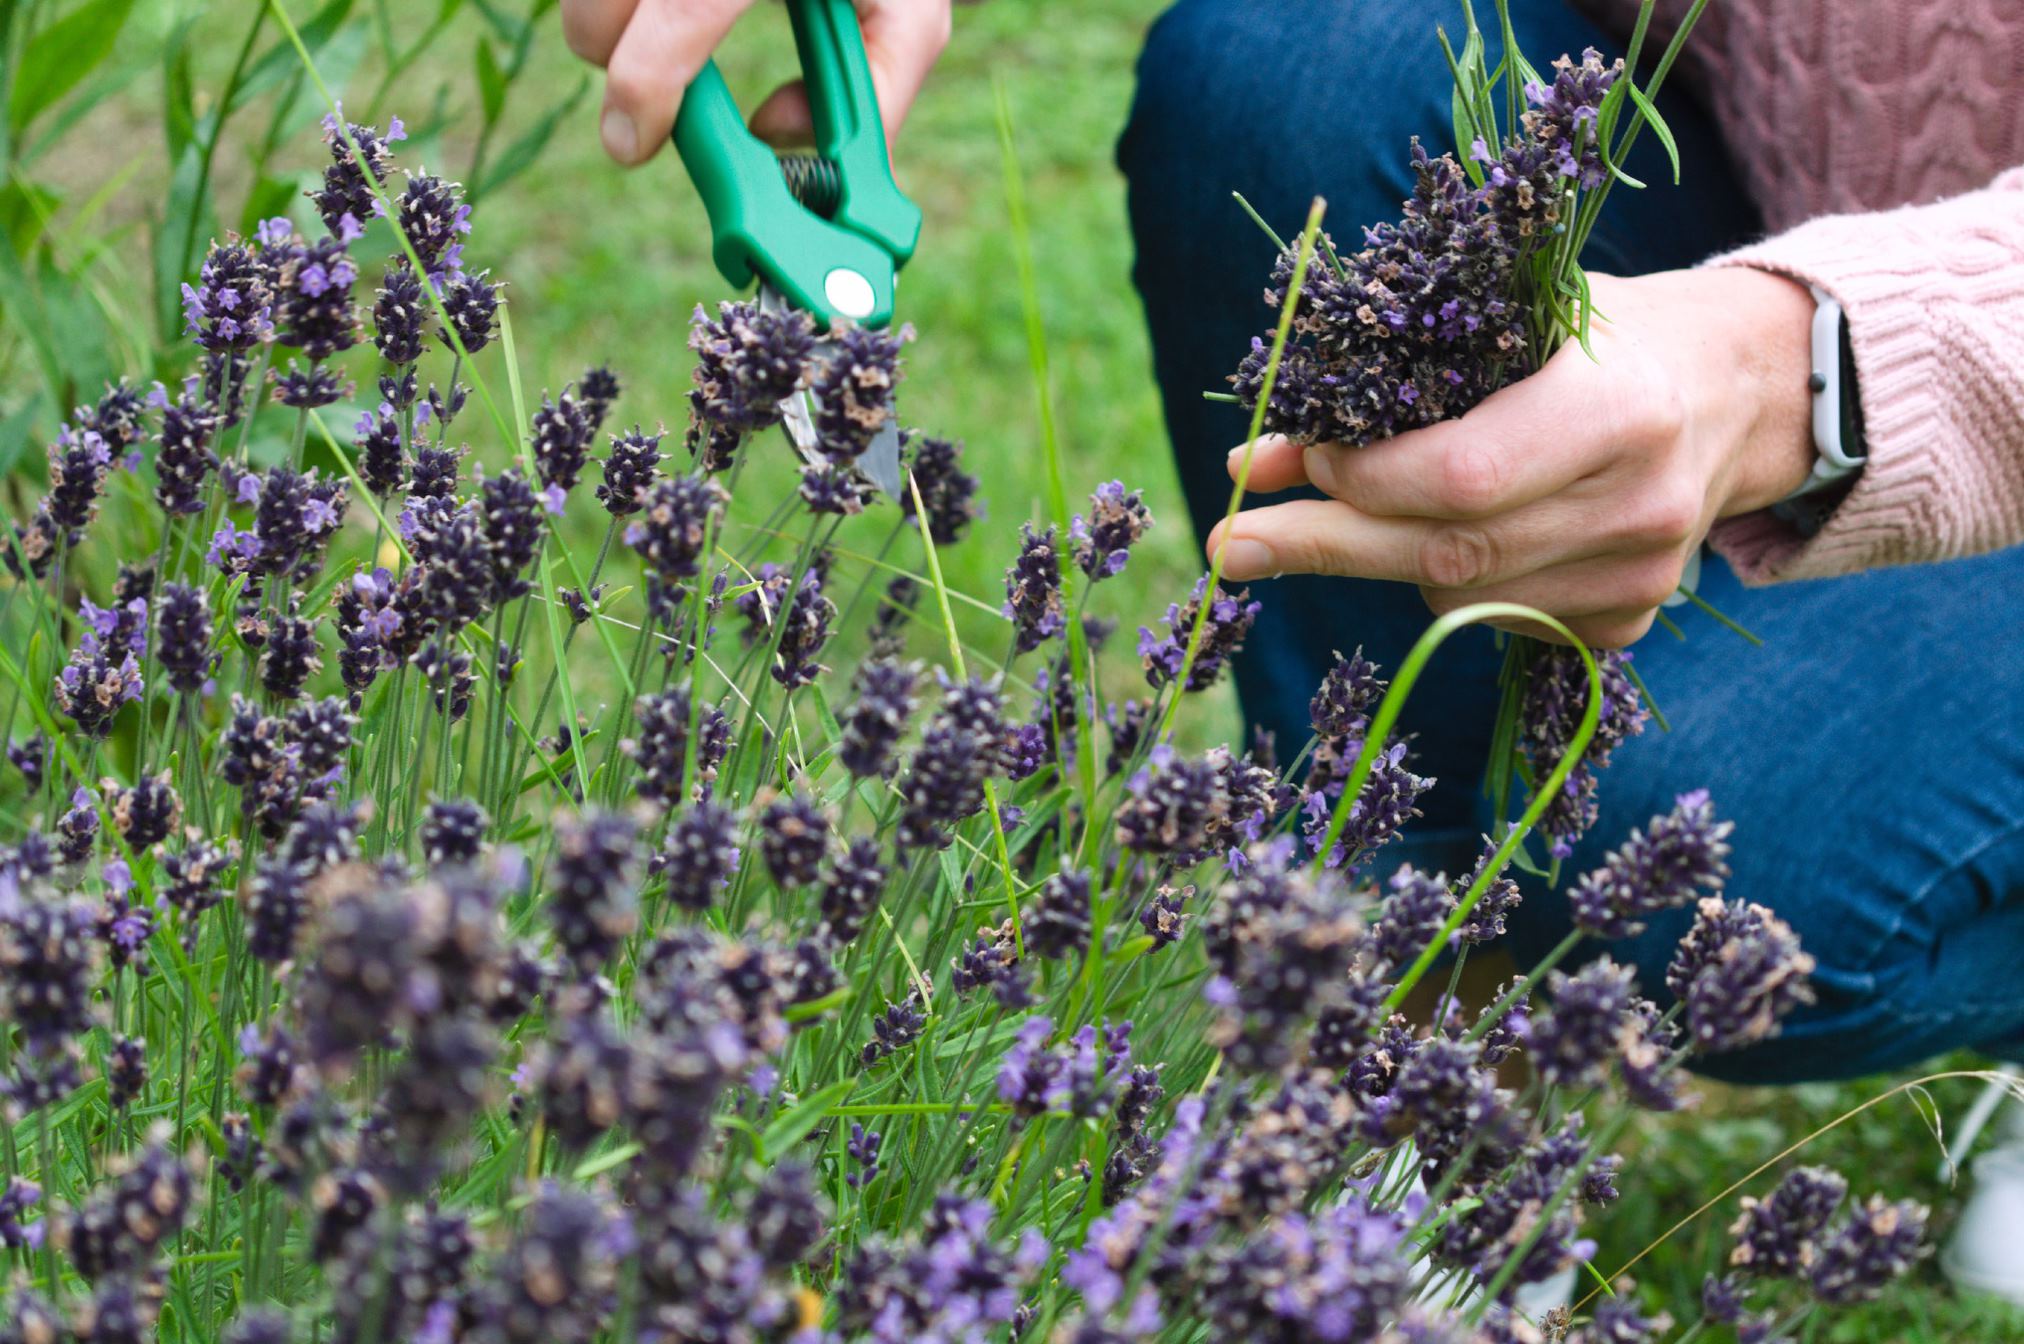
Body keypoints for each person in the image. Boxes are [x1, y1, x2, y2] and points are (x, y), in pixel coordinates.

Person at [557, 1, 2024, 1083]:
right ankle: (1418, 1029)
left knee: (1716, 844)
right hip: (1772, 193)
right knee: (1296, 57)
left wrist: (1807, 368)